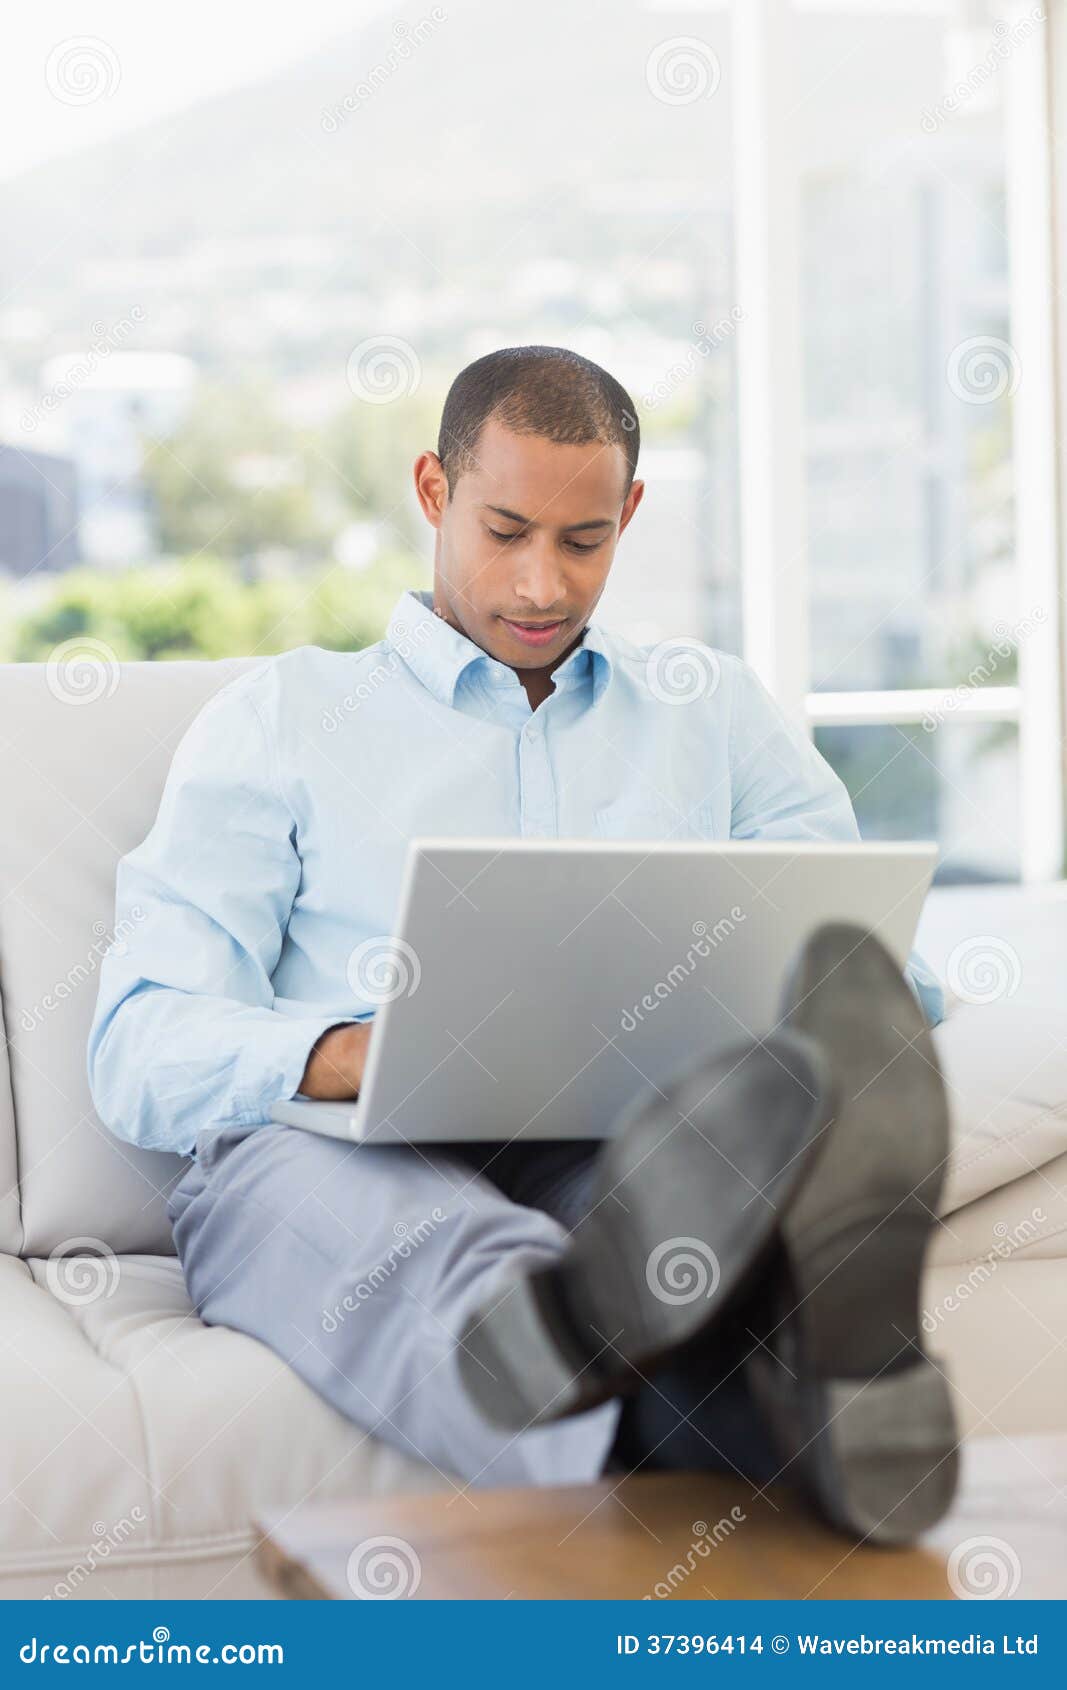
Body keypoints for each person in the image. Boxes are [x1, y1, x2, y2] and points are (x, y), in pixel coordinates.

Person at [88, 346, 957, 1543]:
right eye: (504, 530)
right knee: (380, 1217)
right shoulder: (280, 717)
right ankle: (659, 1345)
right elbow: (139, 1043)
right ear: (433, 493)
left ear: (630, 514)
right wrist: (349, 1052)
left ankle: (684, 1331)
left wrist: (776, 1012)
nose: (542, 582)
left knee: (676, 1180)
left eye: (583, 540)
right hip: (321, 1153)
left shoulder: (711, 714)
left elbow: (877, 969)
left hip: (605, 1138)